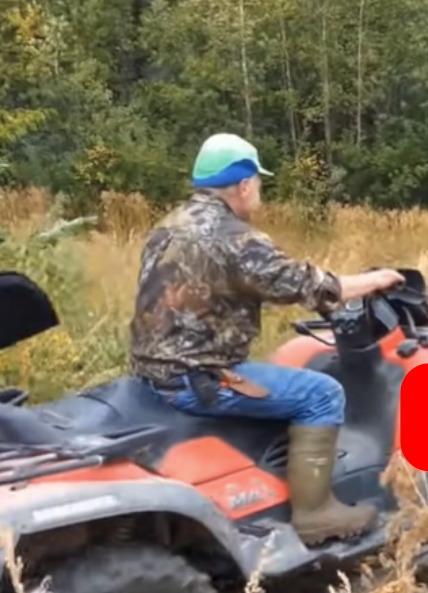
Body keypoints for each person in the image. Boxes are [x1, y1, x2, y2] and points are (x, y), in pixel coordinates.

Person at [128, 132, 405, 544]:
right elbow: (308, 287)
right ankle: (317, 514)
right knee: (322, 394)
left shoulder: (168, 225)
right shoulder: (235, 237)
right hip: (198, 378)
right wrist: (375, 280)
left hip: (151, 372)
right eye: (258, 183)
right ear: (243, 185)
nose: (259, 193)